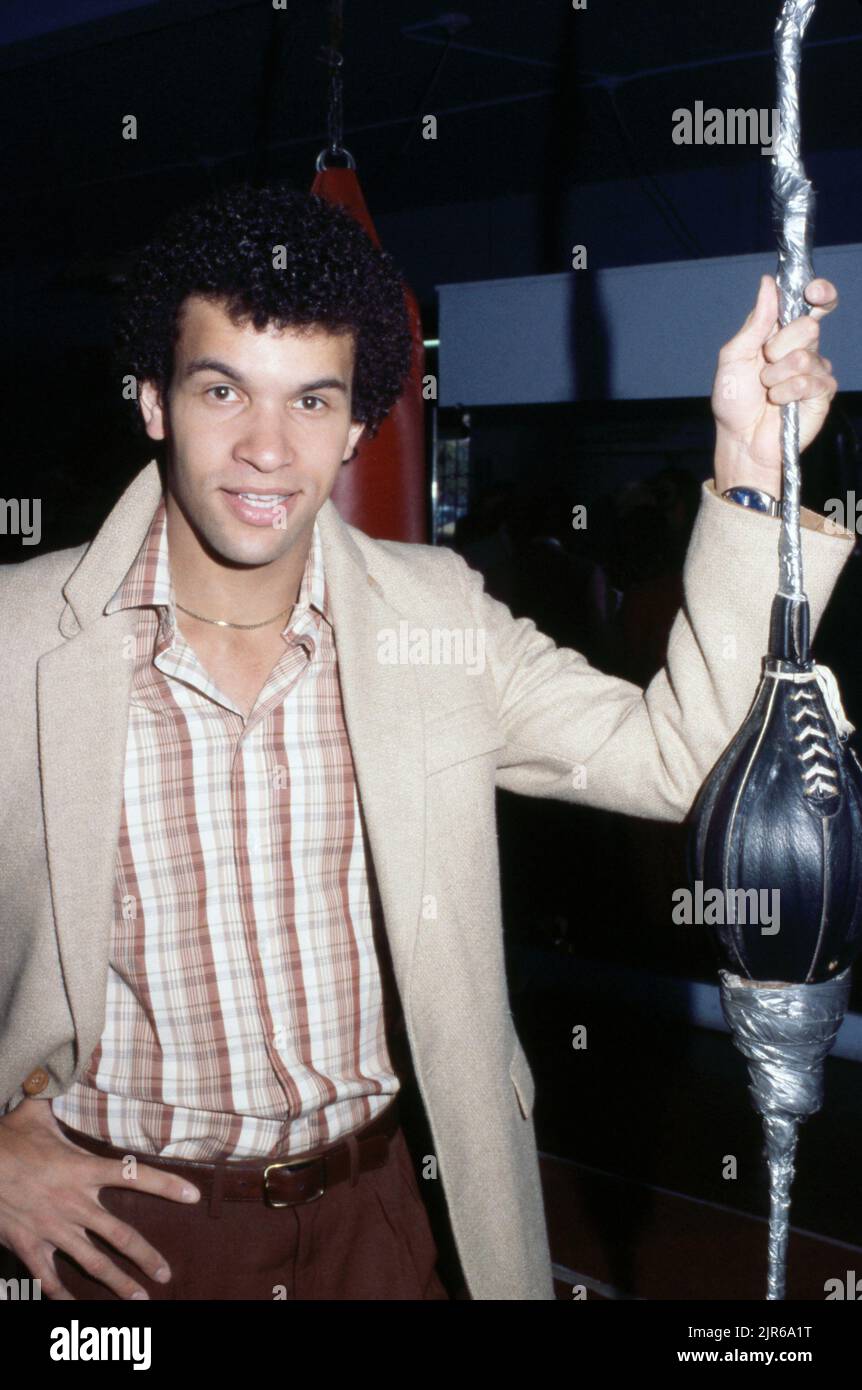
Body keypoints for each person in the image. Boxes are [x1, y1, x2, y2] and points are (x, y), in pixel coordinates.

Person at [0, 183, 852, 1301]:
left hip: (382, 1227)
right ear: (155, 400)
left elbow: (684, 759)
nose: (267, 448)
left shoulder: (435, 617)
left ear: (358, 425)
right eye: (223, 390)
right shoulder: (21, 640)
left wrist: (745, 463)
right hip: (118, 1242)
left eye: (312, 401)